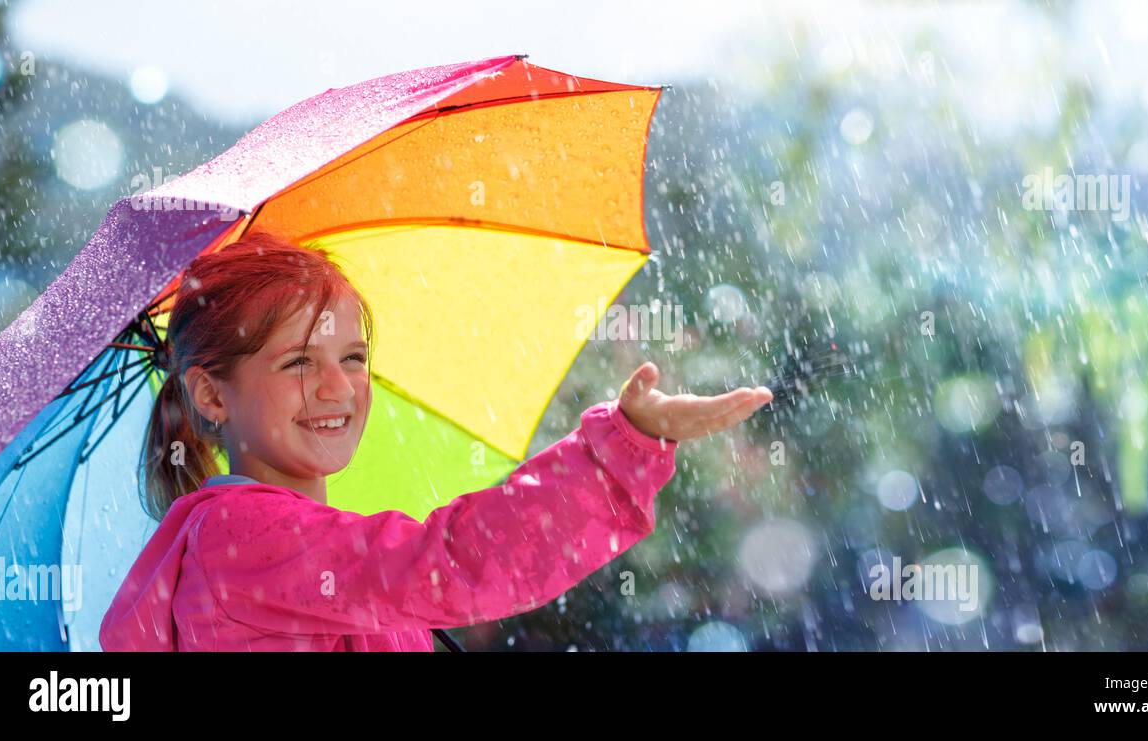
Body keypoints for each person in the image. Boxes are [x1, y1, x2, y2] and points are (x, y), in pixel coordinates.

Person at [98, 231, 772, 651]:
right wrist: (620, 446)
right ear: (212, 395)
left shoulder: (290, 542)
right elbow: (451, 562)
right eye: (299, 361)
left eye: (354, 357)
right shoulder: (242, 536)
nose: (338, 386)